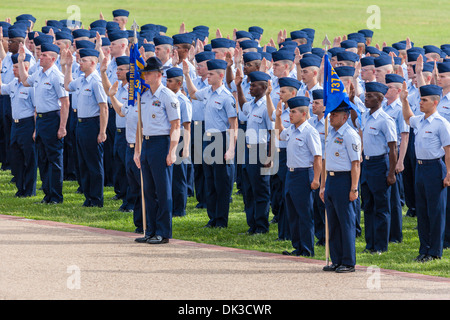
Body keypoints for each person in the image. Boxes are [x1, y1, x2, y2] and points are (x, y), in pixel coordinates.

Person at [183, 58, 238, 228]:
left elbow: (233, 125)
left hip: (221, 139)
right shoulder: (207, 91)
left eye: (212, 74)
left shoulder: (226, 98)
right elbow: (193, 94)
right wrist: (186, 75)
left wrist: (230, 149)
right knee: (210, 179)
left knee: (221, 182)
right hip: (208, 138)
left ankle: (221, 219)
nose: (208, 76)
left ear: (221, 76)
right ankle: (212, 217)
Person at [400, 82, 450, 262]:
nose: (420, 103)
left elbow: (448, 149)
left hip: (435, 167)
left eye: (424, 100)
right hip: (420, 168)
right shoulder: (419, 120)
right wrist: (404, 100)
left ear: (435, 103)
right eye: (420, 99)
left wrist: (449, 173)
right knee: (422, 210)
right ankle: (424, 248)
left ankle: (435, 250)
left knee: (436, 211)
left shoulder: (441, 123)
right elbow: (407, 118)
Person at [134, 57, 181, 244]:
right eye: (145, 73)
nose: (145, 75)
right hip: (147, 143)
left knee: (163, 191)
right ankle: (150, 230)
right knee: (148, 190)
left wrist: (172, 150)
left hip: (162, 143)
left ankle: (163, 232)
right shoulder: (143, 96)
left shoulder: (167, 96)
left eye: (149, 73)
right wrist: (138, 150)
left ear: (159, 75)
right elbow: (140, 125)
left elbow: (176, 125)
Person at [18, 42, 69, 204]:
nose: (40, 57)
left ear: (53, 59)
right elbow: (25, 81)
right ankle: (47, 194)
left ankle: (56, 196)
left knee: (54, 159)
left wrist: (62, 127)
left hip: (52, 119)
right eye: (40, 55)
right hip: (40, 120)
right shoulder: (40, 73)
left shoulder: (56, 76)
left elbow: (65, 103)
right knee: (43, 159)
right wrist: (20, 61)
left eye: (44, 55)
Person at [276, 96, 322, 256]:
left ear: (303, 114)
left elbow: (317, 157)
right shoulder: (292, 130)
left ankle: (307, 248)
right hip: (291, 174)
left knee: (304, 213)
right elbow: (279, 134)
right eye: (289, 112)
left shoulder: (310, 132)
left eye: (293, 112)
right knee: (293, 212)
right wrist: (277, 116)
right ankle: (298, 246)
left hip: (304, 174)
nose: (290, 115)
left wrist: (316, 179)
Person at [62, 48, 108, 207]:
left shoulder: (96, 81)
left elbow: (104, 108)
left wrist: (102, 131)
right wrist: (68, 66)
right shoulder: (81, 79)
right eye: (79, 60)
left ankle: (96, 199)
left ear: (93, 63)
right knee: (83, 162)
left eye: (83, 61)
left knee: (94, 162)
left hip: (92, 124)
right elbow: (67, 85)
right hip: (81, 124)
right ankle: (88, 197)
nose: (79, 63)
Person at [320, 103, 362, 273]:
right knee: (333, 222)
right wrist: (323, 185)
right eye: (331, 114)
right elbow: (326, 161)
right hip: (331, 179)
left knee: (346, 223)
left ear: (345, 117)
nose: (331, 117)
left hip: (344, 180)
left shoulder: (350, 135)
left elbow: (356, 163)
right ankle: (336, 259)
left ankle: (348, 261)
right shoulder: (331, 134)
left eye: (335, 115)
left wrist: (354, 188)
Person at [360, 82, 398, 254]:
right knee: (368, 206)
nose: (366, 99)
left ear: (380, 99)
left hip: (379, 164)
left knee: (381, 207)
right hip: (367, 164)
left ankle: (381, 245)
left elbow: (393, 148)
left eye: (370, 96)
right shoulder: (366, 116)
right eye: (366, 95)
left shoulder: (385, 120)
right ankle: (370, 244)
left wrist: (391, 172)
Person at [106, 72, 144, 234]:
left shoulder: (145, 103)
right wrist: (113, 97)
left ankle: (147, 223)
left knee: (143, 187)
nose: (129, 87)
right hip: (129, 147)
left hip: (141, 148)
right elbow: (121, 112)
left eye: (133, 85)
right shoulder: (131, 102)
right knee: (134, 186)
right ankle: (139, 223)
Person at [239, 71, 273, 235]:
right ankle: (251, 224)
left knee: (260, 190)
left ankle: (261, 226)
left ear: (264, 87)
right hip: (249, 149)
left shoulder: (267, 107)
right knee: (249, 189)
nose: (250, 88)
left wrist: (270, 155)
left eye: (253, 85)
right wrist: (238, 86)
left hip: (261, 150)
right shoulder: (252, 105)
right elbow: (242, 105)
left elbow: (273, 132)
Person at [0, 53, 37, 197]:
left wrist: (35, 130)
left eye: (16, 67)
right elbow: (1, 89)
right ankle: (20, 188)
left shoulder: (31, 86)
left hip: (27, 124)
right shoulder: (13, 84)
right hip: (15, 126)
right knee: (16, 157)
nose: (13, 70)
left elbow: (36, 109)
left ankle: (29, 190)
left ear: (25, 67)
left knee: (29, 158)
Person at [100, 55, 134, 212]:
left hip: (129, 131)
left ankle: (130, 199)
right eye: (118, 69)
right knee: (119, 163)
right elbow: (109, 91)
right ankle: (121, 193)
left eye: (121, 69)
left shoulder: (132, 89)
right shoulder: (119, 87)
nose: (118, 72)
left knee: (128, 166)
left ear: (129, 71)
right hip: (119, 131)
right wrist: (104, 73)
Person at [383, 73, 410, 243]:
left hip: (394, 155)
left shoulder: (400, 109)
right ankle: (386, 231)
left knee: (394, 199)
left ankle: (395, 234)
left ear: (399, 90)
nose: (386, 89)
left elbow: (404, 136)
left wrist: (400, 161)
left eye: (390, 87)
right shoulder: (384, 106)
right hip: (383, 156)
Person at [166, 67, 192, 217]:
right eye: (167, 80)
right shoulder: (168, 97)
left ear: (179, 83)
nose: (167, 83)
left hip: (180, 138)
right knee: (170, 175)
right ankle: (172, 205)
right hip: (170, 136)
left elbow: (187, 125)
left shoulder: (183, 101)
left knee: (179, 177)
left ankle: (179, 209)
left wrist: (186, 147)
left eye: (170, 81)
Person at [190, 51, 215, 209]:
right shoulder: (195, 82)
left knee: (210, 163)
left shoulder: (213, 85)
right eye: (197, 65)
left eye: (201, 65)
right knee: (198, 163)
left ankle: (211, 196)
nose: (198, 68)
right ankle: (202, 198)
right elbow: (192, 95)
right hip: (196, 125)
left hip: (210, 126)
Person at [309, 89, 328, 246]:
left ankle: (327, 235)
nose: (313, 105)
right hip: (314, 166)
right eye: (313, 102)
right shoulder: (311, 122)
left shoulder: (330, 122)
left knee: (324, 203)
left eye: (317, 103)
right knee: (316, 203)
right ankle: (320, 234)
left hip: (326, 165)